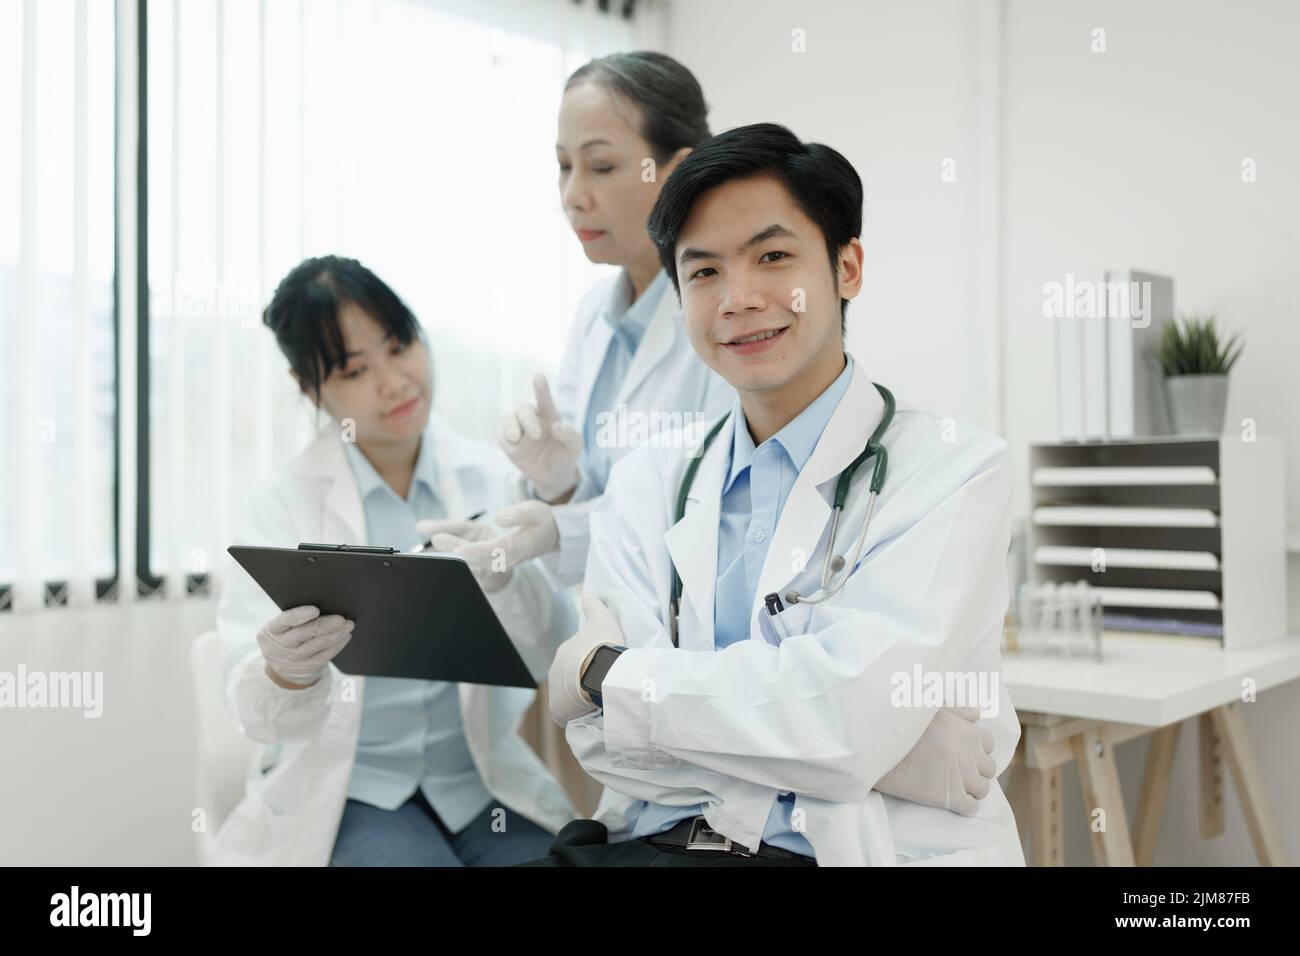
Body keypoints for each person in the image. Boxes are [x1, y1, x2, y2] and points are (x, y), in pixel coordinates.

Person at [530, 124, 1024, 867]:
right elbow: (601, 745)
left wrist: (607, 674)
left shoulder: (955, 471)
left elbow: (847, 723)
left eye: (773, 257)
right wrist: (885, 753)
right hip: (660, 843)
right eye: (703, 273)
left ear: (847, 267)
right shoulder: (649, 481)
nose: (739, 299)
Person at [214, 256, 577, 866]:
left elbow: (547, 652)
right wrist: (285, 671)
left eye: (400, 345)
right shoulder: (281, 507)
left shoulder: (488, 476)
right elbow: (257, 716)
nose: (396, 382)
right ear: (312, 389)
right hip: (354, 793)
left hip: (480, 784)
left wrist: (523, 556)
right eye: (355, 369)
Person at [435, 52, 731, 586]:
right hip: (600, 631)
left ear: (677, 169)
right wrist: (557, 486)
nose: (573, 196)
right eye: (564, 166)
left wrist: (559, 529)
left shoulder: (727, 317)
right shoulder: (594, 314)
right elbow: (593, 500)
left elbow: (706, 515)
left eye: (600, 166)